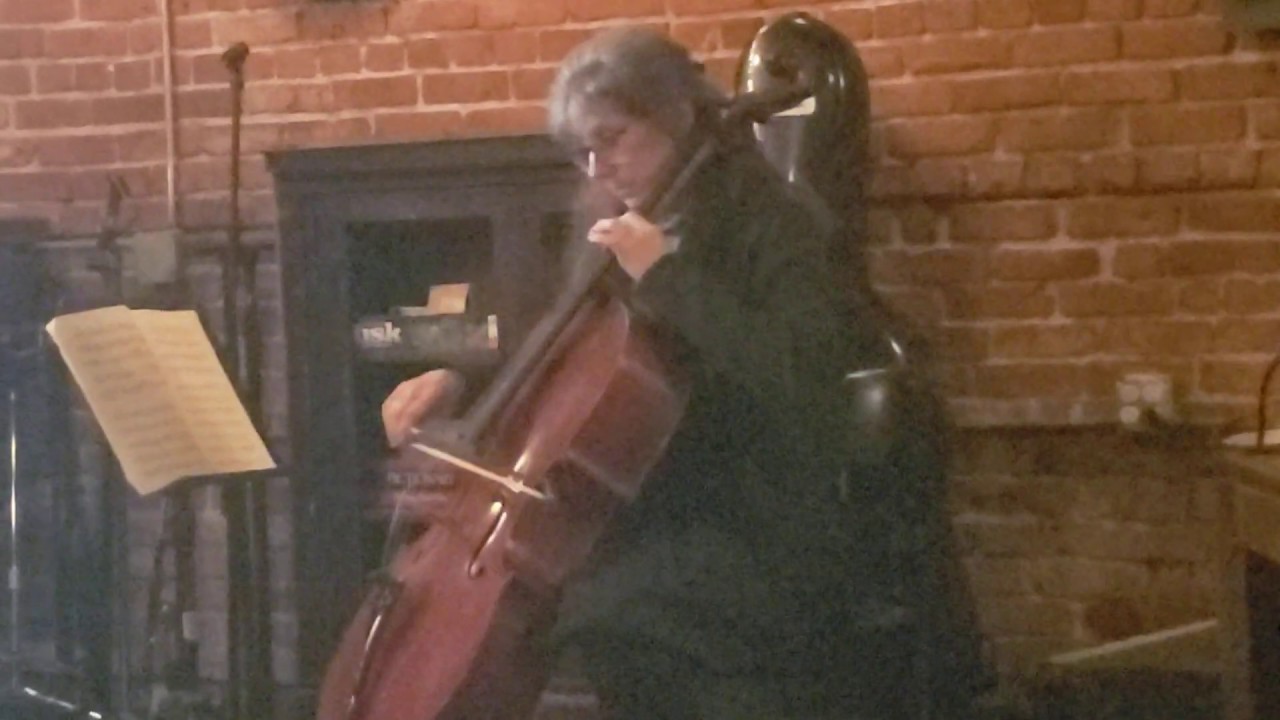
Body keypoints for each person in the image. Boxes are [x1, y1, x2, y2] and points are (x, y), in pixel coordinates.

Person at [382, 27, 972, 719]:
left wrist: (667, 273)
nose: (599, 167)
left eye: (614, 139)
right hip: (651, 509)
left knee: (611, 607)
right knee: (597, 598)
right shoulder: (608, 220)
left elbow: (803, 375)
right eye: (583, 151)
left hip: (754, 516)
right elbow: (547, 333)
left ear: (675, 118)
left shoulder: (771, 221)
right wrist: (458, 377)